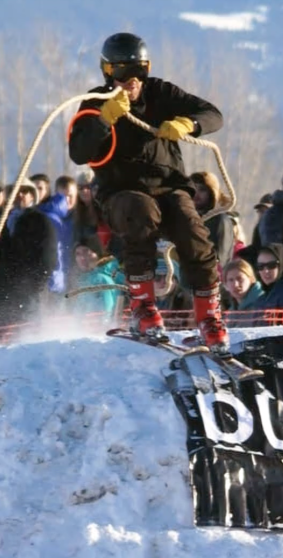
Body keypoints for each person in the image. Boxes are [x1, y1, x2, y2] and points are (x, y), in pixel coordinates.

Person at [68, 32, 229, 352]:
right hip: (121, 193)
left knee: (192, 229)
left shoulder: (161, 93)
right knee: (141, 213)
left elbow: (214, 115)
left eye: (138, 71)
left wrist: (189, 124)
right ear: (107, 72)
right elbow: (78, 151)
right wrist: (104, 120)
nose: (131, 80)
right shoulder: (95, 102)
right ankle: (142, 307)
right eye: (122, 73)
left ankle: (209, 317)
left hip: (168, 186)